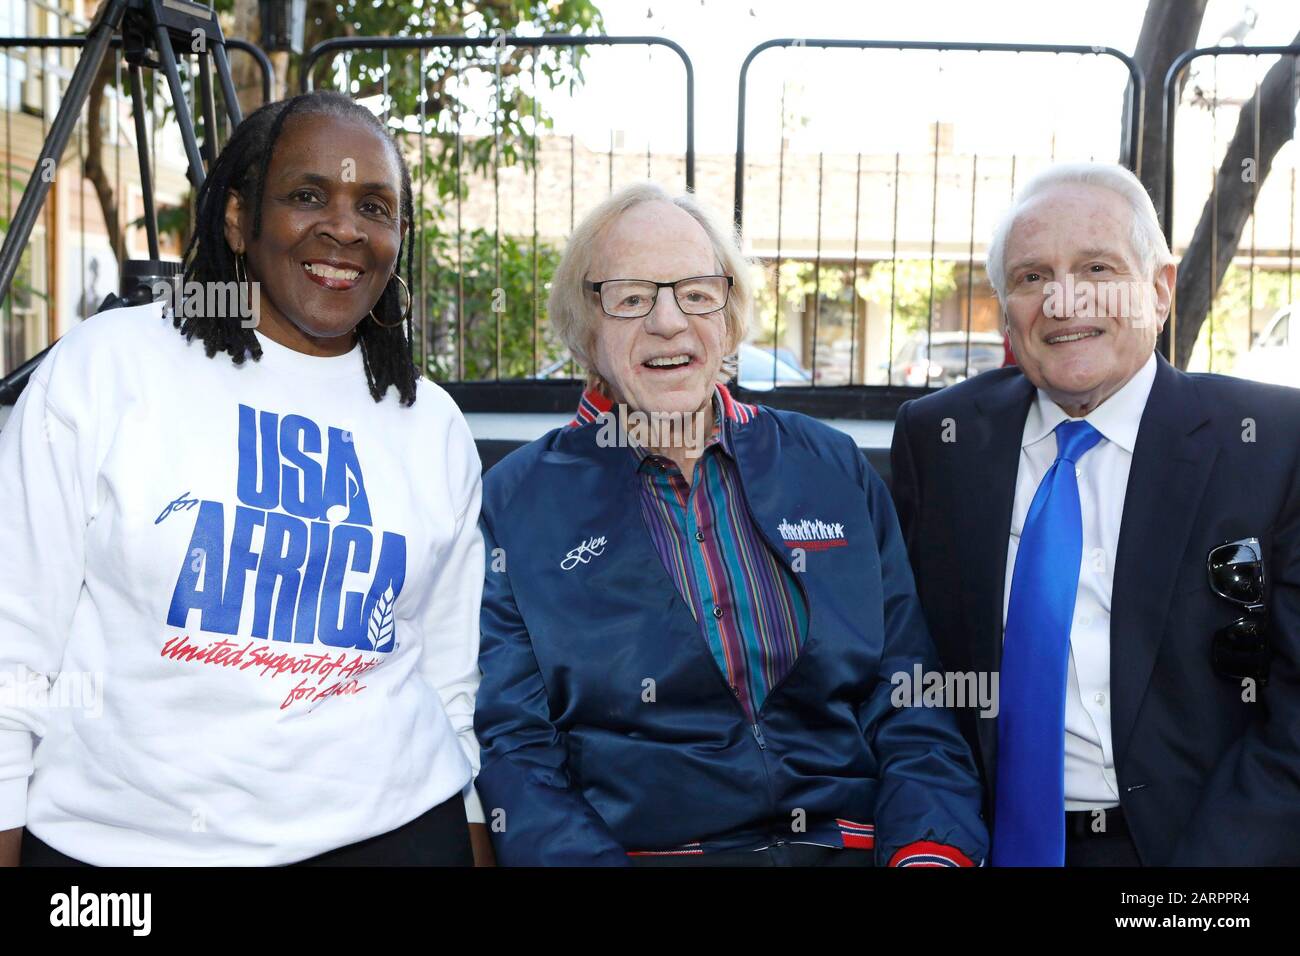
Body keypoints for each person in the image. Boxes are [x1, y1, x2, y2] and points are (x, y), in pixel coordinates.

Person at [0, 90, 487, 866]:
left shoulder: (429, 422)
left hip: (393, 832)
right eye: (306, 196)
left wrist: (468, 828)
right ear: (237, 218)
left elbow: (446, 677)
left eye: (375, 205)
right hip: (128, 852)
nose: (345, 229)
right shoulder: (109, 367)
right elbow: (13, 637)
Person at [474, 182, 987, 866]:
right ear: (585, 324)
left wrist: (928, 852)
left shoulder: (829, 467)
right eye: (631, 297)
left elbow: (911, 700)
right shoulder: (517, 503)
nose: (668, 322)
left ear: (731, 312)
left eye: (696, 292)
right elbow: (517, 751)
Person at [890, 161, 1300, 866]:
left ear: (1161, 290)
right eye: (1031, 277)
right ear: (1006, 309)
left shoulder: (1273, 443)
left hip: (1199, 850)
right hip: (984, 843)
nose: (1063, 300)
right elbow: (910, 669)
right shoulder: (940, 440)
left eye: (1098, 268)